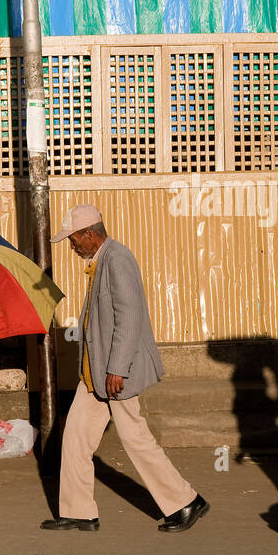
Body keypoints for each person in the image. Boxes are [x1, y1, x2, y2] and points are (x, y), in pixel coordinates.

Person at [40, 203, 208, 533]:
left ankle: (186, 502)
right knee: (74, 436)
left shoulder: (116, 259)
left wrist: (117, 368)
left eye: (74, 240)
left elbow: (128, 318)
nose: (72, 247)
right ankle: (79, 512)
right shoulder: (101, 260)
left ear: (89, 234)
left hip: (114, 372)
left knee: (136, 439)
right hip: (96, 373)